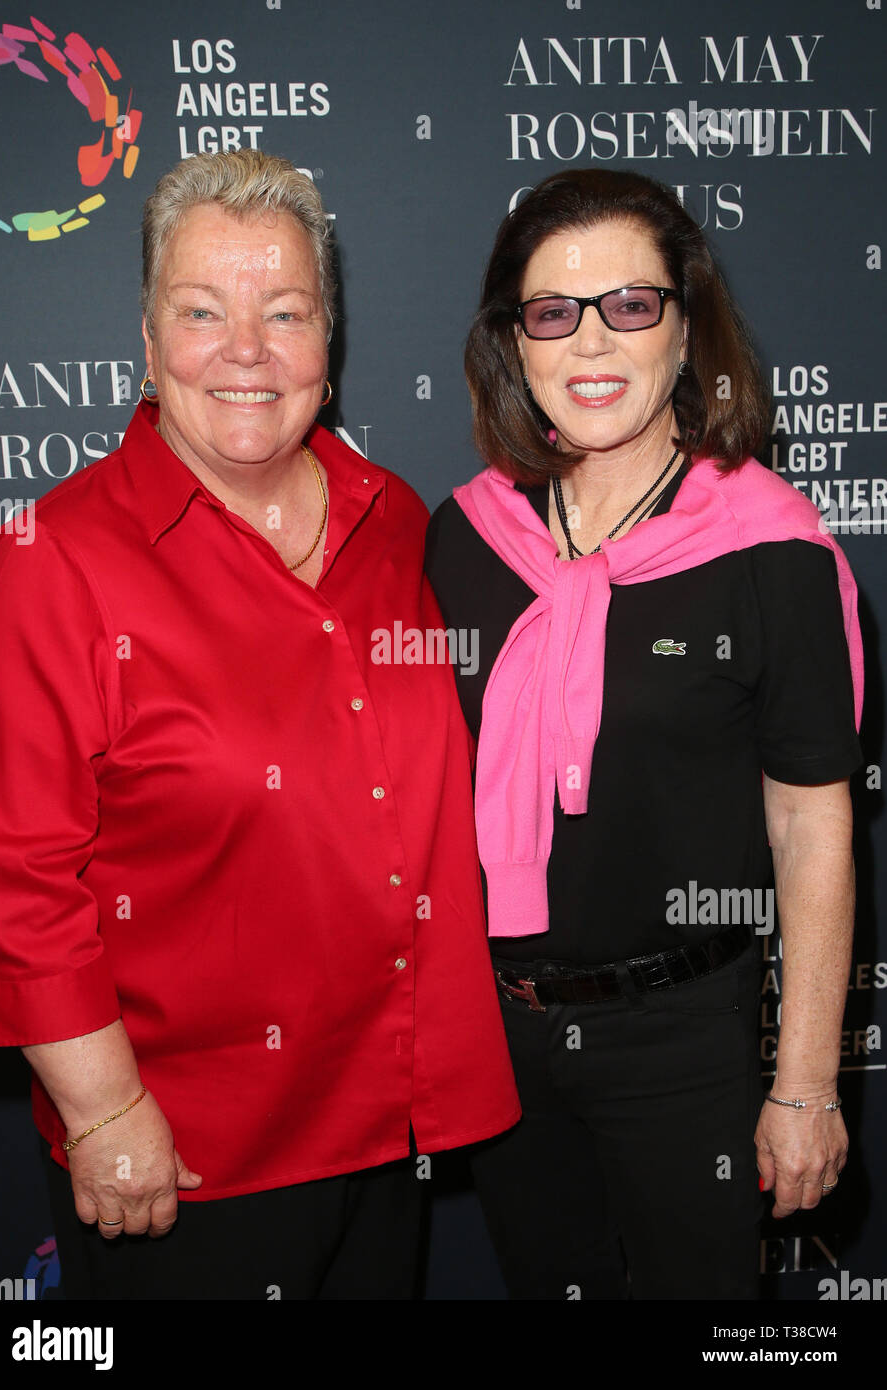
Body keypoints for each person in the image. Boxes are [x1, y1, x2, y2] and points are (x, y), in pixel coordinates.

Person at [0, 149, 519, 1301]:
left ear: (331, 337)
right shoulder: (54, 562)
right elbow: (16, 876)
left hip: (385, 1126)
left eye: (286, 312)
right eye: (203, 311)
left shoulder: (394, 521)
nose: (248, 351)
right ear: (150, 337)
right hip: (185, 1156)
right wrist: (105, 1109)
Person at [425, 168, 863, 1300]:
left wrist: (807, 1084)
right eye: (551, 312)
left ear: (685, 326)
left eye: (630, 304)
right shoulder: (463, 540)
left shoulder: (771, 546)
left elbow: (810, 826)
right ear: (511, 344)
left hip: (688, 1046)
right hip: (504, 1040)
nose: (590, 342)